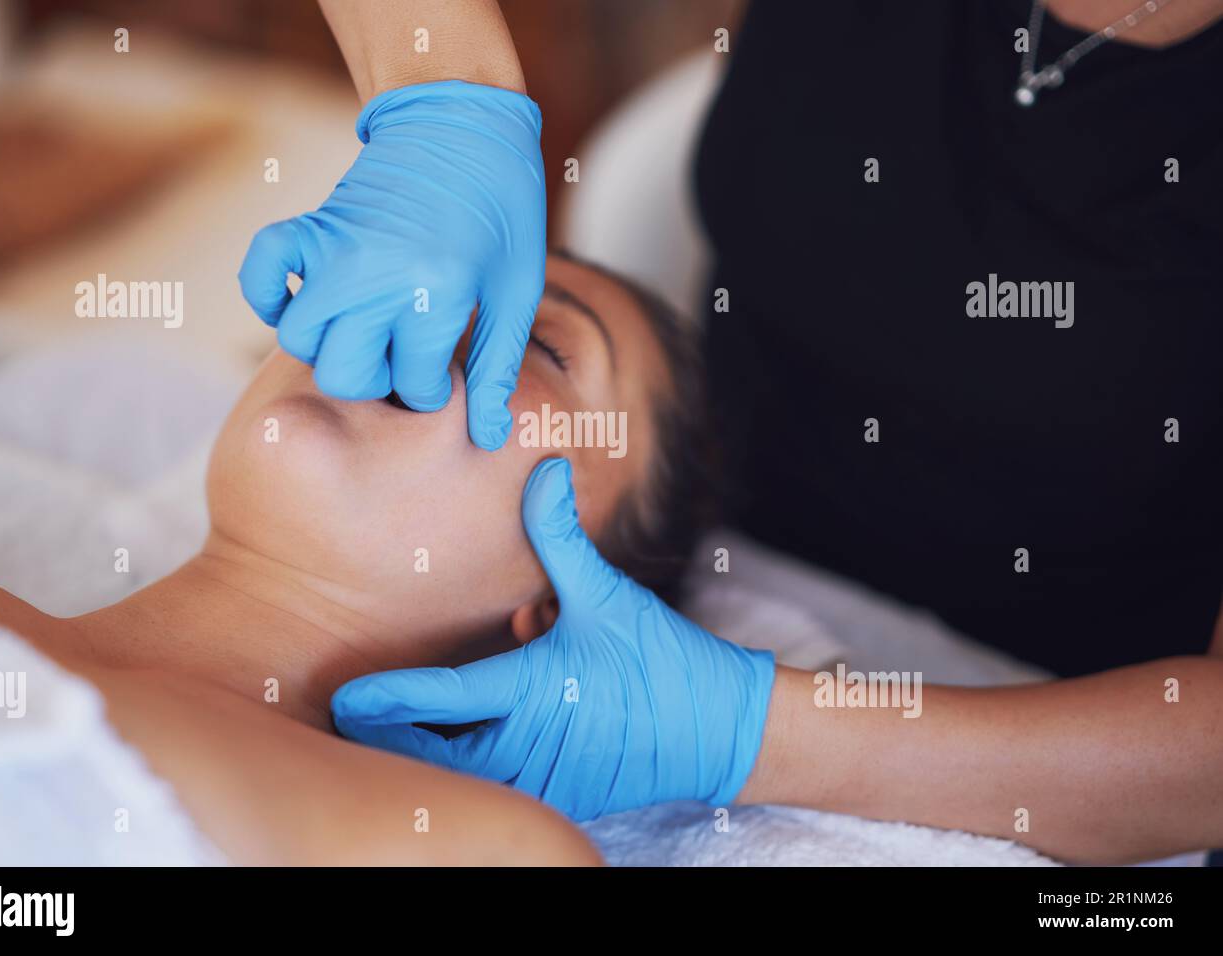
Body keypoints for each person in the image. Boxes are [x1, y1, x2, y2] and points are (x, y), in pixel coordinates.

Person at [283, 1, 1223, 864]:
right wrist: (442, 96)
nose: (435, 336)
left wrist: (749, 732)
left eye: (544, 347)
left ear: (547, 619)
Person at [0, 253, 712, 864]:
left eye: (543, 345)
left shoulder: (480, 847)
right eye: (421, 280)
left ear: (559, 608)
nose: (429, 317)